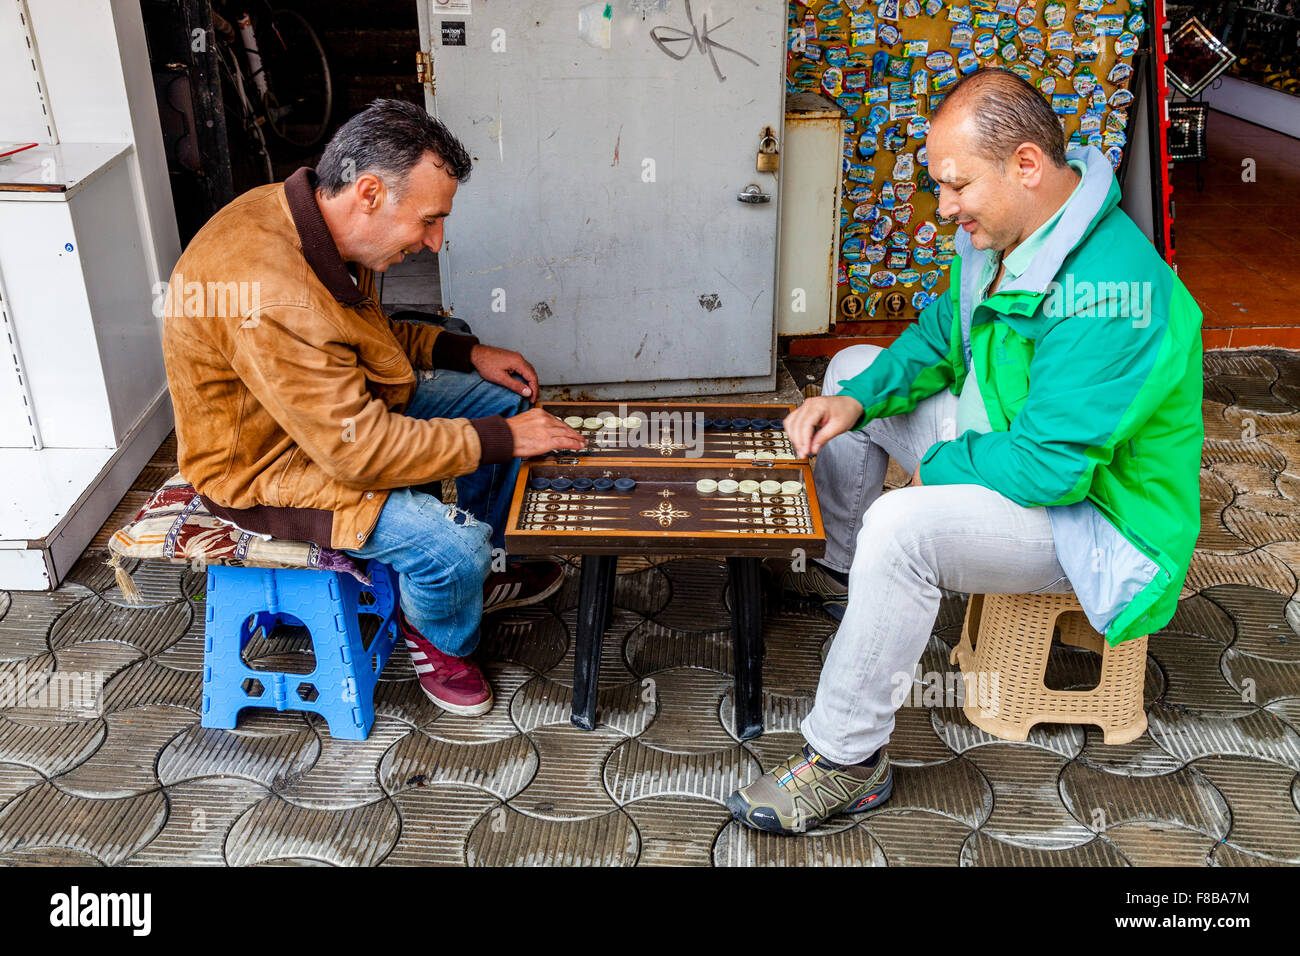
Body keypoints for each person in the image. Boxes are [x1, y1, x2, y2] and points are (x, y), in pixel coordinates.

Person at [726, 68, 1203, 834]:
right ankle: (852, 582)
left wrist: (929, 476)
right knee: (851, 372)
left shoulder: (1115, 293)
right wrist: (851, 401)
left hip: (1097, 520)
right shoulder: (1010, 234)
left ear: (1025, 165)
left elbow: (1051, 468)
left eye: (956, 186)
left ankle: (850, 760)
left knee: (903, 529)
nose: (945, 207)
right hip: (1009, 447)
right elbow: (941, 336)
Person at [161, 99, 585, 717]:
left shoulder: (305, 218)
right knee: (452, 545)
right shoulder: (274, 294)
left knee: (501, 399)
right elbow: (360, 452)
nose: (435, 241)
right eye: (429, 220)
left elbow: (360, 334)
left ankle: (475, 573)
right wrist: (501, 439)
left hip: (335, 417)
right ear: (368, 193)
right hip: (267, 472)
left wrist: (464, 351)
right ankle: (439, 633)